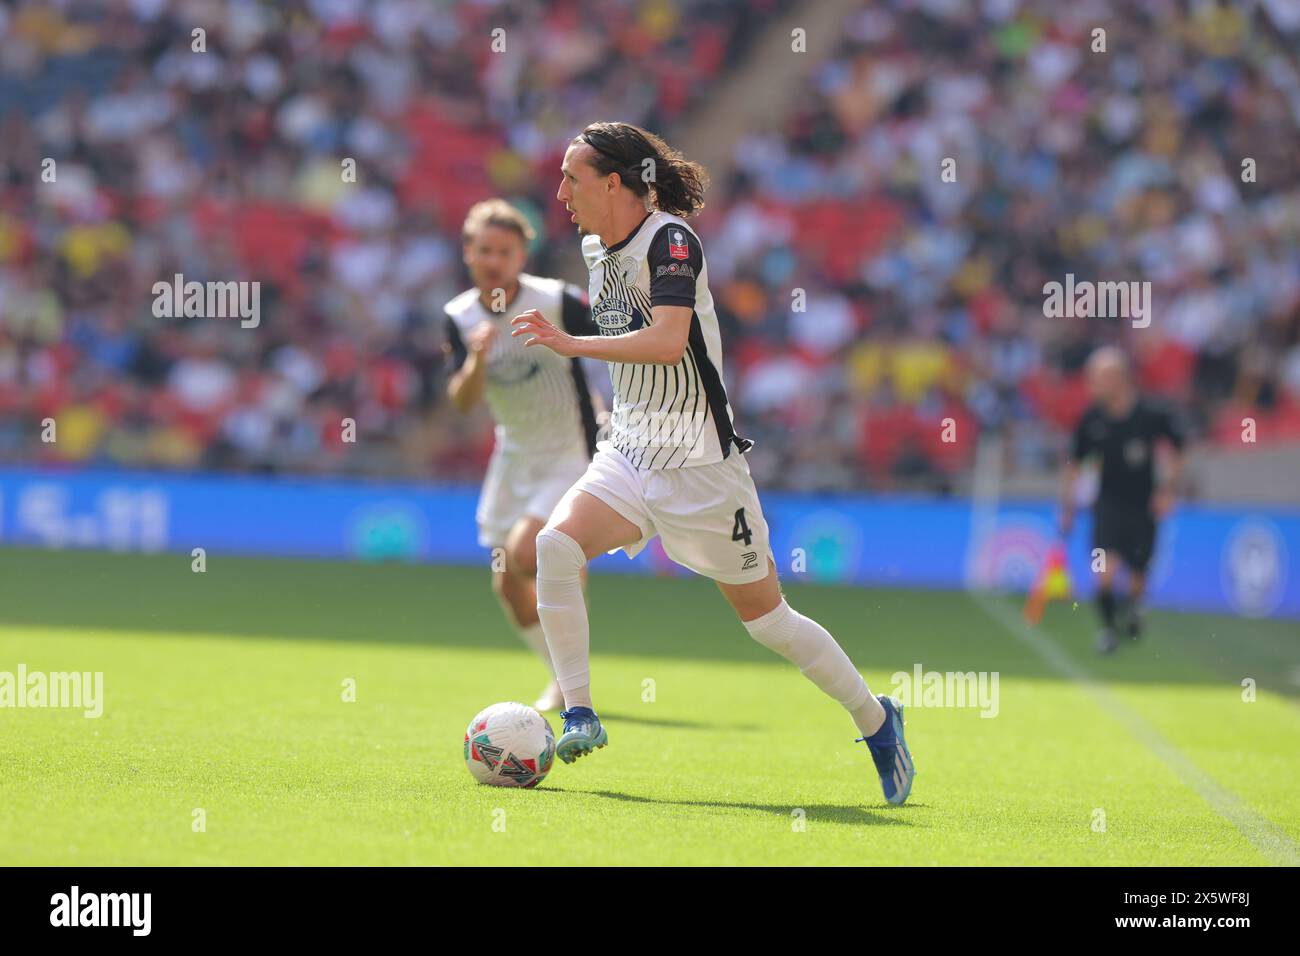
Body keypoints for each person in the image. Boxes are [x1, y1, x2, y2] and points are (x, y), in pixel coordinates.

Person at [510, 122, 915, 804]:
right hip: (633, 450)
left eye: (571, 179)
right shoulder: (592, 248)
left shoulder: (670, 240)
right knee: (556, 544)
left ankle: (876, 722)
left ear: (613, 182)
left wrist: (570, 345)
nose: (560, 193)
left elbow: (669, 343)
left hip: (702, 467)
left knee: (768, 623)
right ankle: (579, 713)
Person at [444, 198, 600, 710]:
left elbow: (620, 341)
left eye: (504, 251)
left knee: (527, 552)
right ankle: (564, 675)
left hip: (572, 450)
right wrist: (477, 359)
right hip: (515, 456)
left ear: (522, 255)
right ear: (468, 252)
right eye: (484, 250)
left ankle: (568, 572)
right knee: (506, 584)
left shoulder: (559, 303)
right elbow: (463, 401)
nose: (493, 260)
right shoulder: (459, 317)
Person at [1060, 347, 1185, 654]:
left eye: (1098, 378)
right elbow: (1075, 464)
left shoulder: (1152, 414)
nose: (1092, 385)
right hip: (1108, 506)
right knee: (1103, 571)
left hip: (1144, 507)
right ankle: (1107, 630)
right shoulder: (1092, 418)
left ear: (1118, 379)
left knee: (1138, 575)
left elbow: (1177, 449)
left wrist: (1168, 489)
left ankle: (1132, 610)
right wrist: (1068, 506)